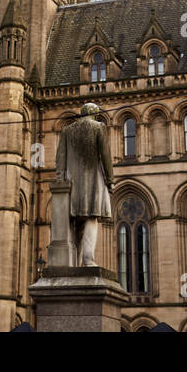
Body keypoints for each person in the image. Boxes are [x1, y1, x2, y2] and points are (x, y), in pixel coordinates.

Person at [55, 102, 113, 266]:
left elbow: (60, 157)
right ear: (94, 114)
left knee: (74, 222)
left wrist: (60, 178)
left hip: (71, 183)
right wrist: (110, 180)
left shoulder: (67, 130)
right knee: (91, 218)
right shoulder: (98, 127)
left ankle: (72, 262)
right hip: (93, 180)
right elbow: (105, 155)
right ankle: (88, 260)